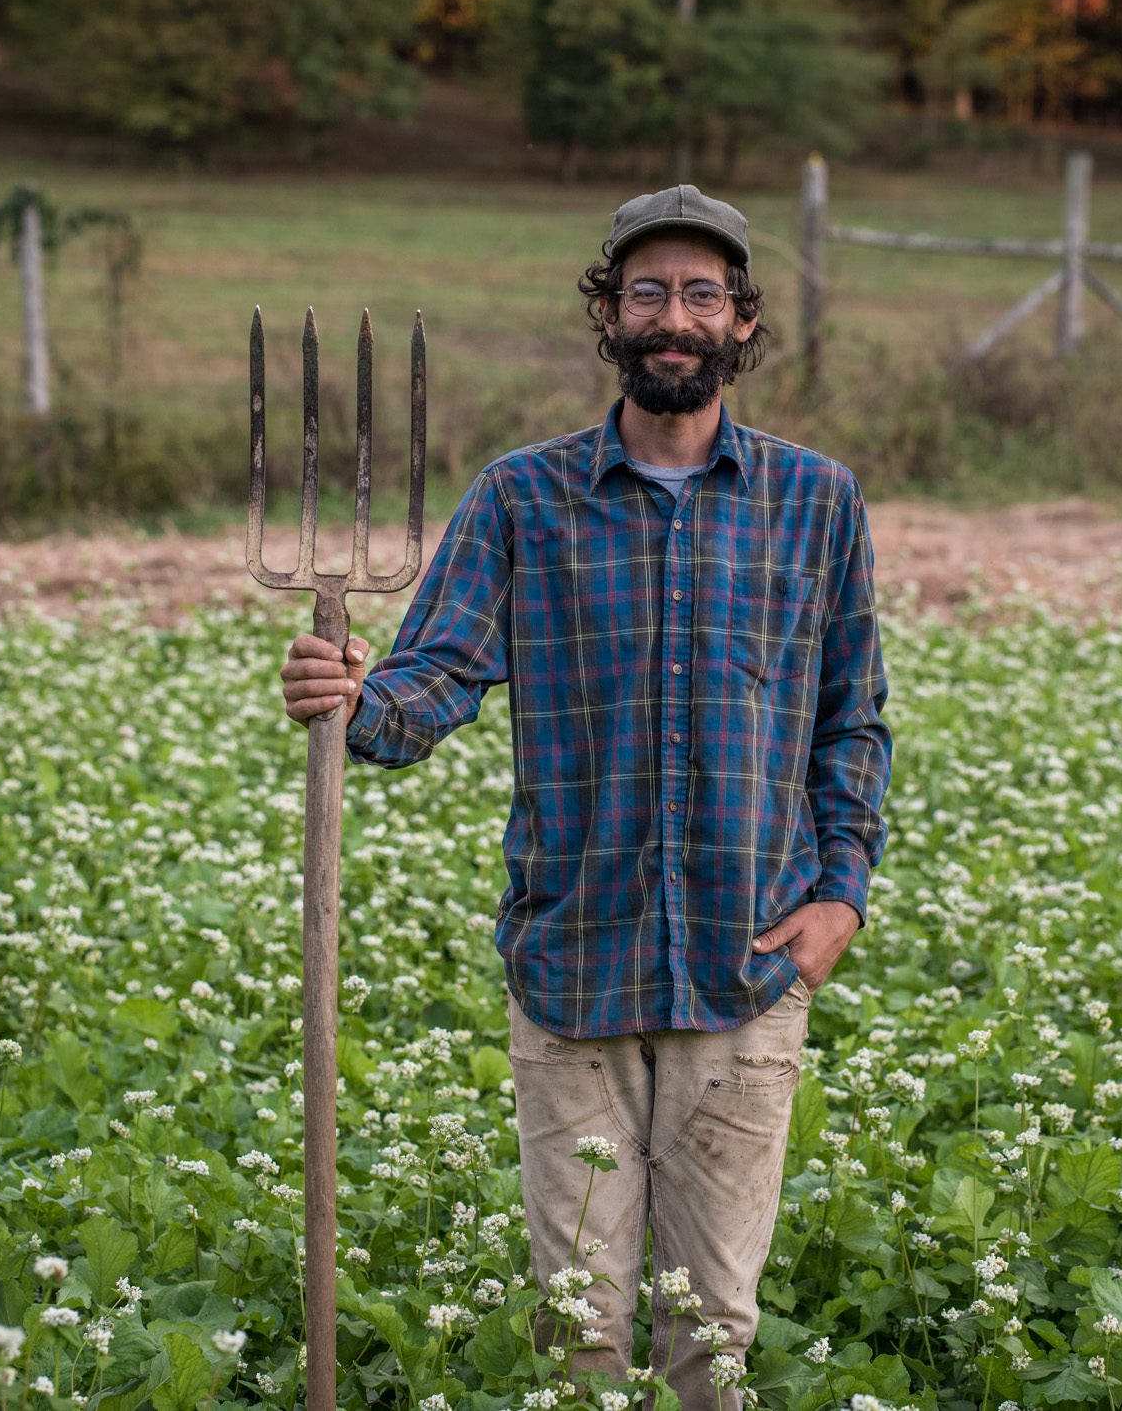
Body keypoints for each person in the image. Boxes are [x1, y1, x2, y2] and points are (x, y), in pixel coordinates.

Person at [278, 184, 890, 1409]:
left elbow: (850, 719)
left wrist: (841, 899)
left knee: (712, 1326)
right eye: (646, 290)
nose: (674, 316)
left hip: (744, 963)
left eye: (702, 293)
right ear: (607, 314)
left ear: (742, 321)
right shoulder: (521, 497)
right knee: (579, 1324)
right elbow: (435, 677)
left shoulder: (816, 501)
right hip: (573, 965)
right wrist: (352, 697)